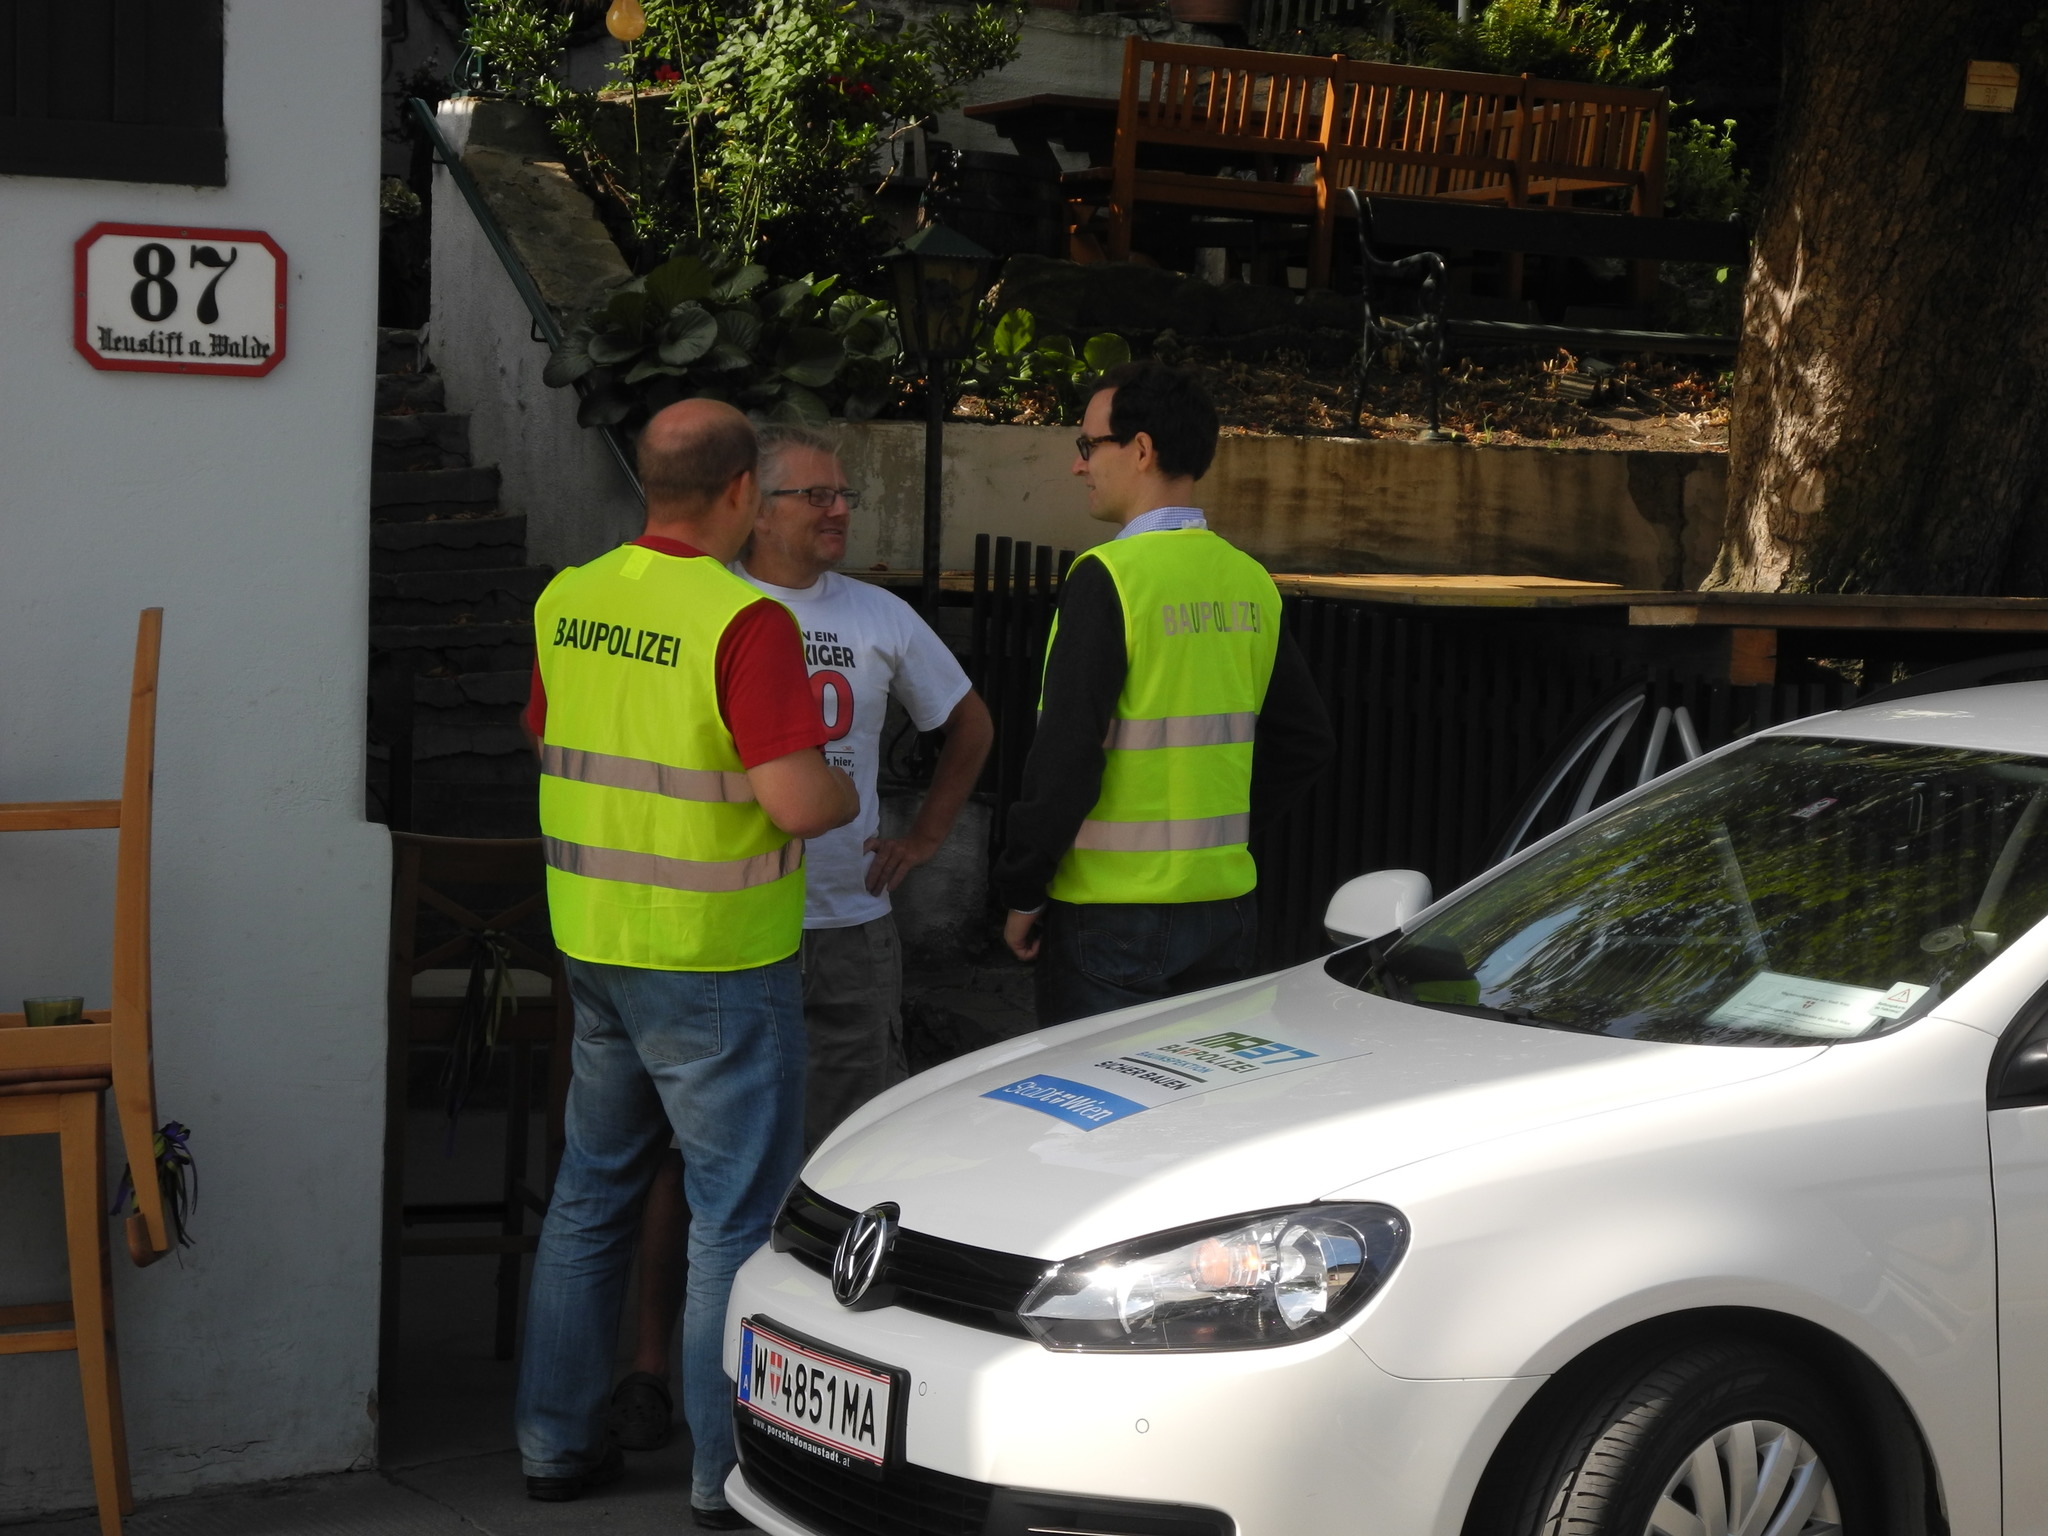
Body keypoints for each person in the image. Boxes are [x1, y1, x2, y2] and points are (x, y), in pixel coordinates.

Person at [604, 425, 994, 1456]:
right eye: (814, 495)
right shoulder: (712, 606)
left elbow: (970, 724)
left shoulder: (878, 615)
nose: (837, 511)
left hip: (847, 928)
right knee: (691, 1162)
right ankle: (654, 1370)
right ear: (754, 504)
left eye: (843, 495)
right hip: (727, 931)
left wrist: (925, 835)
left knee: (849, 1152)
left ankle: (815, 1367)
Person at [514, 399, 858, 1531]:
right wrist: (843, 789)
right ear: (741, 492)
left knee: (589, 1194)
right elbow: (795, 800)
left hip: (594, 944)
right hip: (716, 962)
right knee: (733, 1218)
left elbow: (550, 735)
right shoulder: (745, 621)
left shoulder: (568, 598)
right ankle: (725, 1479)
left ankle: (552, 1446)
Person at [996, 361, 1334, 1025]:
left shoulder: (1109, 577)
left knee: (1096, 1090)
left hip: (1111, 914)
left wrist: (1023, 887)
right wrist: (1219, 838)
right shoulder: (1249, 580)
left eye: (1088, 444)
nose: (1078, 465)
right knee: (1196, 1092)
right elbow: (1306, 742)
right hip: (1223, 909)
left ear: (1142, 449)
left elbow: (1066, 754)